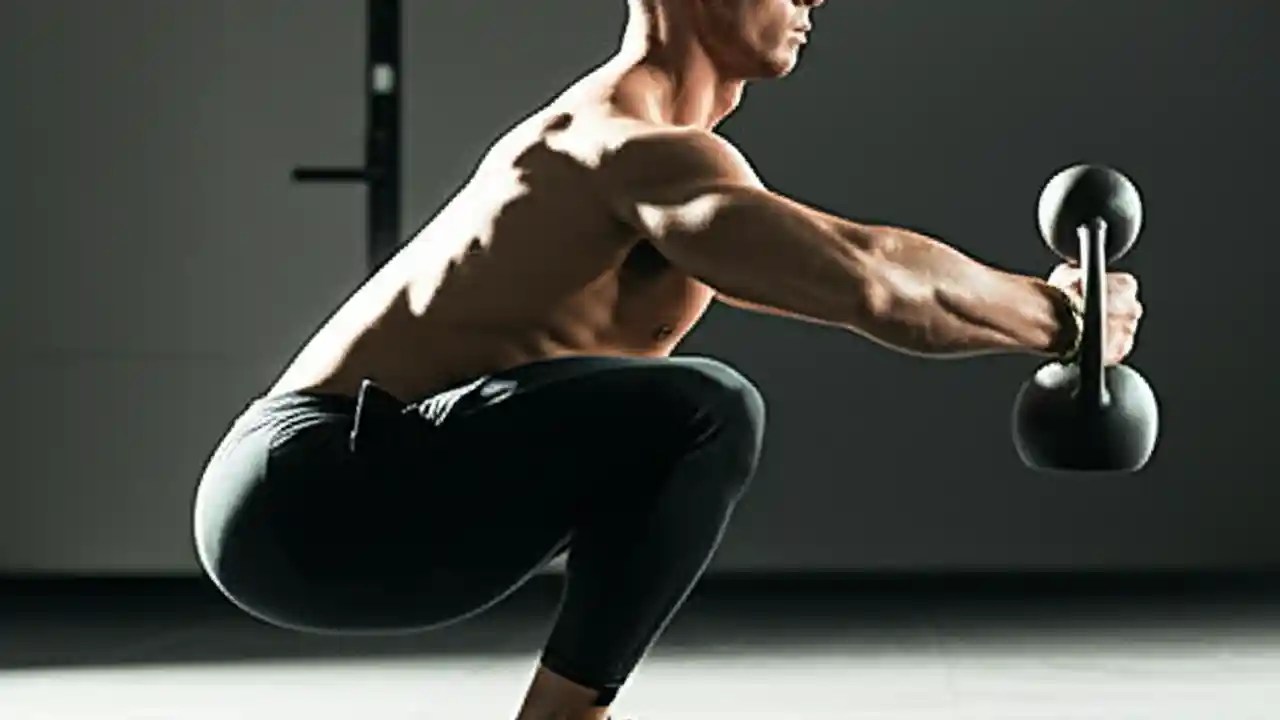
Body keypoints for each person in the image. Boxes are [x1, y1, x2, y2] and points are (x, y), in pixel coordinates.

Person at [192, 1, 1145, 718]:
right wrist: (1059, 315)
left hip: (377, 512)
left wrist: (1054, 318)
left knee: (670, 426)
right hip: (307, 492)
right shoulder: (622, 148)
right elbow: (873, 282)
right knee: (702, 408)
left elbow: (873, 280)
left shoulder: (670, 159)